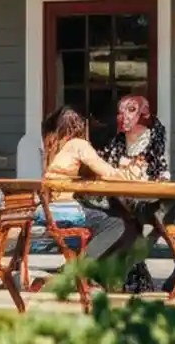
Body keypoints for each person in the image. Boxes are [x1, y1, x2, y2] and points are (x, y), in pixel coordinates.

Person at [90, 94, 175, 293]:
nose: (124, 116)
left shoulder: (153, 141)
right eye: (121, 111)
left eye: (131, 111)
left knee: (145, 223)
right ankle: (116, 273)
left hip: (146, 202)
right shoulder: (117, 142)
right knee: (121, 220)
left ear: (143, 115)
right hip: (119, 202)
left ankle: (128, 272)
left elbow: (159, 175)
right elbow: (105, 169)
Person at [34, 106, 128, 258]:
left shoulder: (53, 148)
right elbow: (107, 172)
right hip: (67, 211)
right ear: (79, 126)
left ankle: (83, 269)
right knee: (116, 223)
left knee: (101, 217)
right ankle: (80, 269)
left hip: (49, 211)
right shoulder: (77, 144)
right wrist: (127, 174)